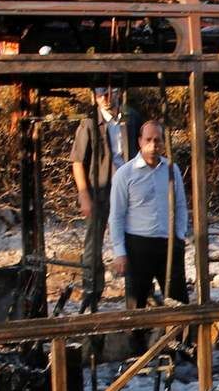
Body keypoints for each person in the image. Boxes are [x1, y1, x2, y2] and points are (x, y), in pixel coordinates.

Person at [69, 85, 140, 313]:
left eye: (110, 93)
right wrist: (84, 195)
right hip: (100, 190)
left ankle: (136, 295)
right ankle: (92, 295)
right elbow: (78, 160)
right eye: (101, 95)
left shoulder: (131, 118)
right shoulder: (90, 122)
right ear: (94, 97)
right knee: (93, 245)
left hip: (128, 190)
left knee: (135, 240)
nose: (106, 99)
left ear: (119, 93)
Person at [109, 120, 190, 309]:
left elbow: (180, 206)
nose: (153, 145)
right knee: (136, 304)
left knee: (178, 301)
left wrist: (179, 235)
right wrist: (120, 252)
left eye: (158, 140)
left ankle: (179, 338)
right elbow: (116, 215)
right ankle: (136, 338)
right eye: (148, 140)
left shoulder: (172, 170)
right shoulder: (125, 174)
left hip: (168, 244)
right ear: (140, 141)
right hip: (138, 245)